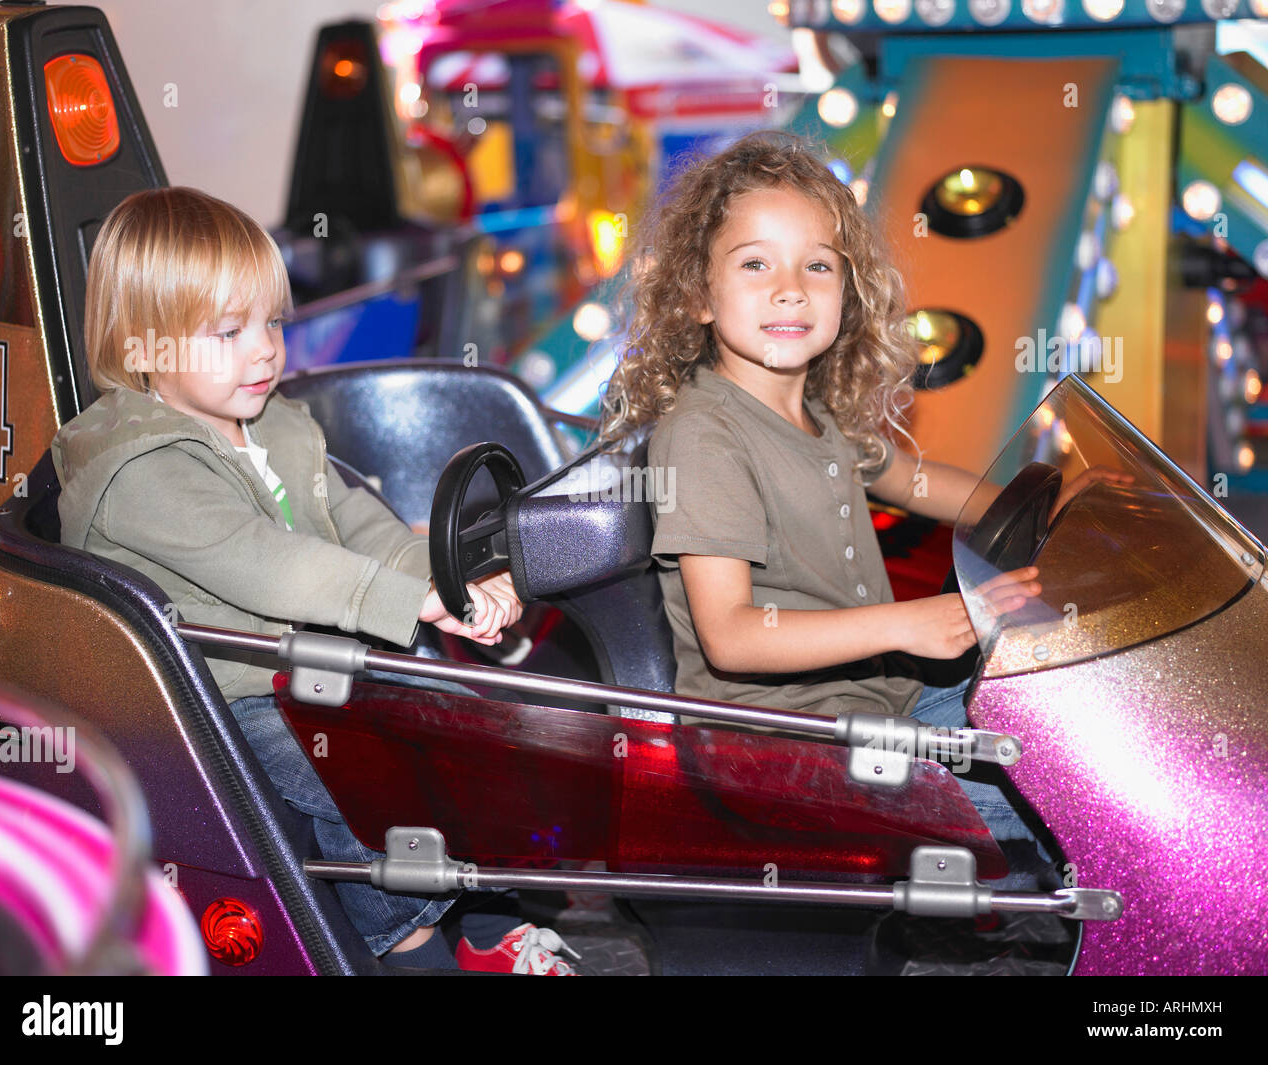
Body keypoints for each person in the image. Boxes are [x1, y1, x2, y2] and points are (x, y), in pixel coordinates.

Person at [52, 187, 577, 974]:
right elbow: (268, 561)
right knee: (361, 789)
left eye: (271, 322)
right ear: (146, 349)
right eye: (228, 332)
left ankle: (493, 934)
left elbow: (358, 521)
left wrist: (443, 584)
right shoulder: (139, 469)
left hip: (314, 665)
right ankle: (406, 949)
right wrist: (408, 602)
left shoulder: (273, 422)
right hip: (218, 696)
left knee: (468, 736)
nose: (264, 350)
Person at [599, 133, 1047, 851]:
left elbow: (922, 483)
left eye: (817, 265)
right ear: (696, 295)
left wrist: (1059, 509)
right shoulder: (703, 435)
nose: (790, 287)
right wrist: (910, 624)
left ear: (850, 288)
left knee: (1058, 728)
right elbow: (732, 636)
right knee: (1059, 802)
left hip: (875, 705)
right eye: (755, 263)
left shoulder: (816, 415)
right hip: (780, 745)